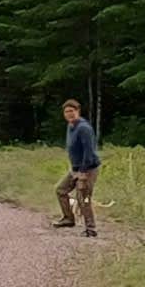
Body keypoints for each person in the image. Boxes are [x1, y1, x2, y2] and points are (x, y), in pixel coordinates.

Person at [55, 97, 100, 235]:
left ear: (78, 111)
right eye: (67, 111)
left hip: (88, 168)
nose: (69, 114)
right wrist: (74, 169)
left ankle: (90, 228)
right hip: (75, 168)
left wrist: (83, 173)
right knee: (60, 190)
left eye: (72, 111)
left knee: (83, 197)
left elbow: (89, 152)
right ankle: (68, 218)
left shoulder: (83, 128)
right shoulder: (71, 126)